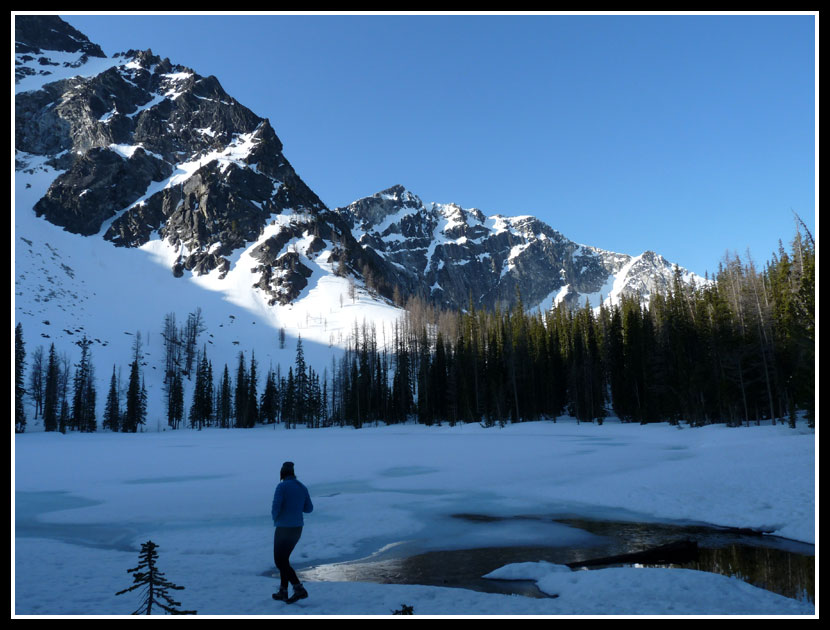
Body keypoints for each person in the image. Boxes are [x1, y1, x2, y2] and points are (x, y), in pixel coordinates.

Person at [271, 461, 313, 602]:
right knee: (284, 560)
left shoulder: (281, 487)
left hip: (283, 528)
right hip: (297, 529)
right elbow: (309, 509)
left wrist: (276, 518)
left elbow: (276, 506)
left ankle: (298, 588)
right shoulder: (302, 487)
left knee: (280, 561)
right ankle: (283, 591)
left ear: (282, 473)